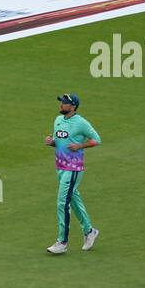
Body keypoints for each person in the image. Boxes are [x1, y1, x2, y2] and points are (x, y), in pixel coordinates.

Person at [45, 93, 101, 254]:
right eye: (61, 102)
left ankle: (62, 242)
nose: (61, 104)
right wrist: (51, 143)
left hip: (73, 169)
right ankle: (90, 231)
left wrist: (80, 146)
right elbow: (59, 142)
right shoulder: (58, 120)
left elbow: (96, 139)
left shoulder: (81, 123)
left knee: (62, 202)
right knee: (73, 199)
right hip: (60, 167)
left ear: (73, 106)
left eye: (65, 103)